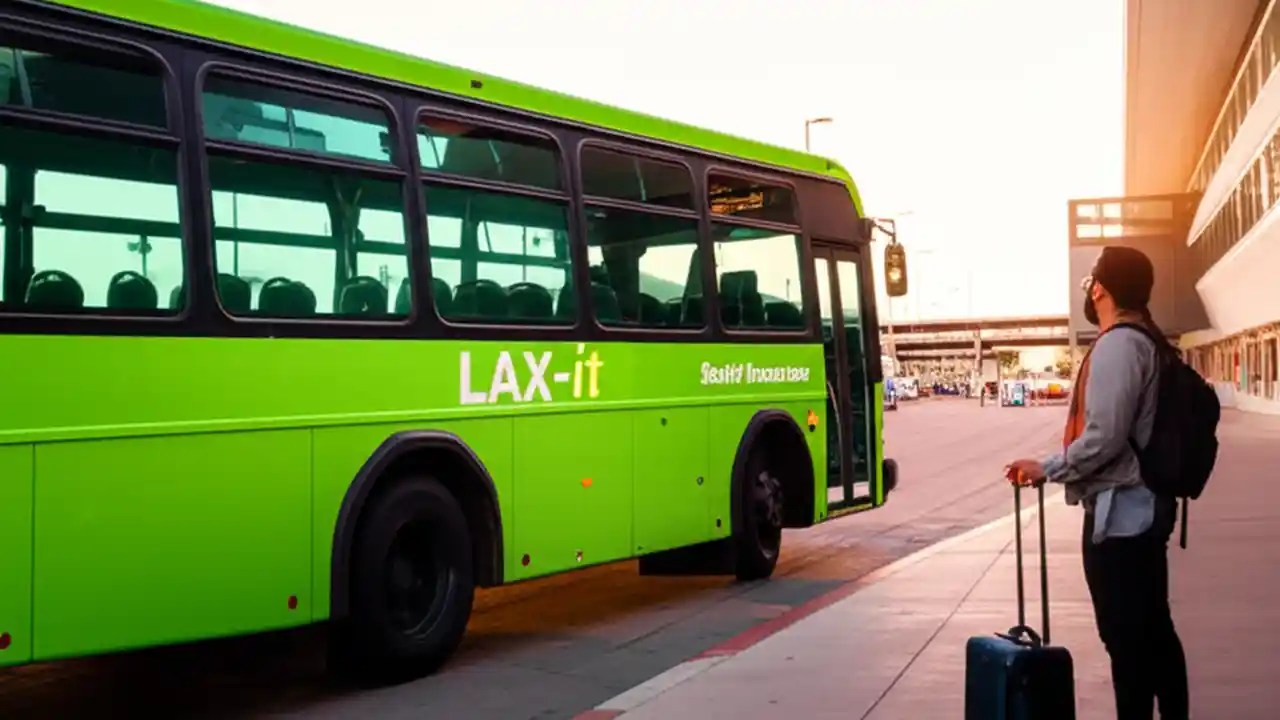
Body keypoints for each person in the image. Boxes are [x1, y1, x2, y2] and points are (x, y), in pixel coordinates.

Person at [1003, 246, 1187, 720]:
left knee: (1127, 640)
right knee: (1153, 632)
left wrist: (1050, 466)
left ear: (1101, 287)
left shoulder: (1120, 345)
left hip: (1123, 517)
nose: (1089, 290)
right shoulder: (1145, 341)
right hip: (1140, 510)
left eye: (1091, 282)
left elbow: (1105, 435)